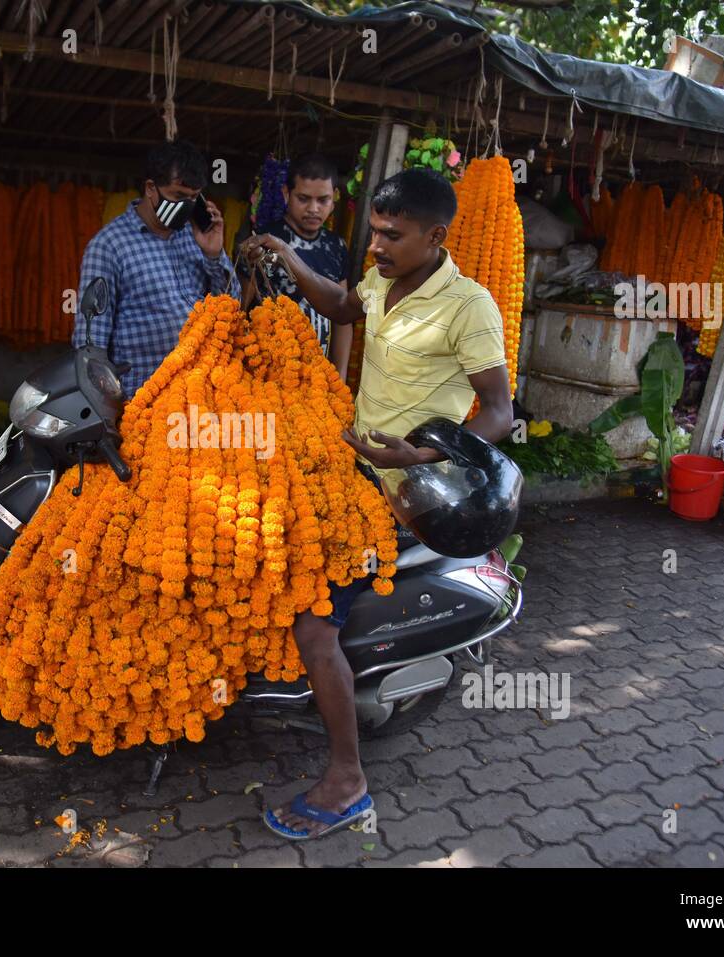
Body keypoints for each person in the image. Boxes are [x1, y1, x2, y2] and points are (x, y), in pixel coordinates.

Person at [239, 168, 515, 840]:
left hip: (404, 493)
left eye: (392, 236)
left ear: (435, 235)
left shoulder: (470, 305)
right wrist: (282, 252)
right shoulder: (385, 282)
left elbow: (501, 411)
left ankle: (346, 782)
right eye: (375, 232)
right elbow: (339, 304)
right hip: (351, 468)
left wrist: (421, 456)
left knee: (313, 624)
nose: (377, 245)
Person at [76, 142, 240, 398]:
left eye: (194, 197)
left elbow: (230, 307)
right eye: (178, 196)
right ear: (151, 188)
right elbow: (90, 341)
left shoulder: (197, 233)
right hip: (144, 399)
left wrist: (214, 254)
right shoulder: (109, 246)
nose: (187, 206)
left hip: (203, 393)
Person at [233, 154, 351, 380]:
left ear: (334, 198)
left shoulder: (336, 246)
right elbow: (239, 308)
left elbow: (342, 315)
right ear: (287, 194)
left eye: (323, 200)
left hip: (318, 375)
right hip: (268, 374)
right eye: (304, 199)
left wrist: (340, 375)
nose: (314, 209)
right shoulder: (263, 240)